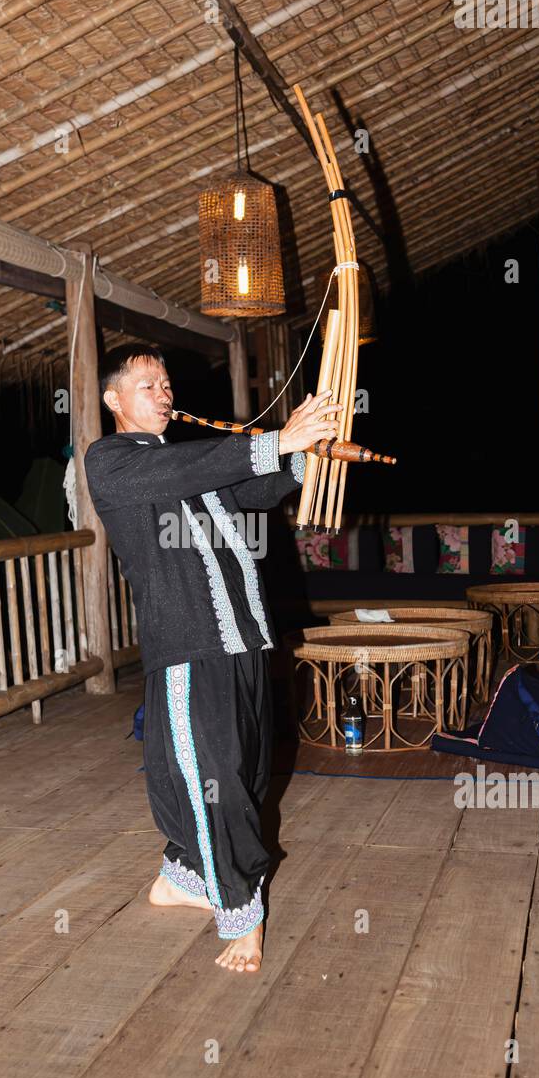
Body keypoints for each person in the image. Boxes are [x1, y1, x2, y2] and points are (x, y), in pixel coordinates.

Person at [84, 344, 340, 973]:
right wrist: (279, 436)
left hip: (243, 638)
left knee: (246, 774)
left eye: (167, 383)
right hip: (190, 645)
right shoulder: (111, 461)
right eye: (148, 385)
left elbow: (253, 486)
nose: (164, 393)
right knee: (214, 779)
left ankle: (181, 881)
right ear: (114, 400)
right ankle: (240, 912)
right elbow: (195, 470)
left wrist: (310, 455)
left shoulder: (184, 465)